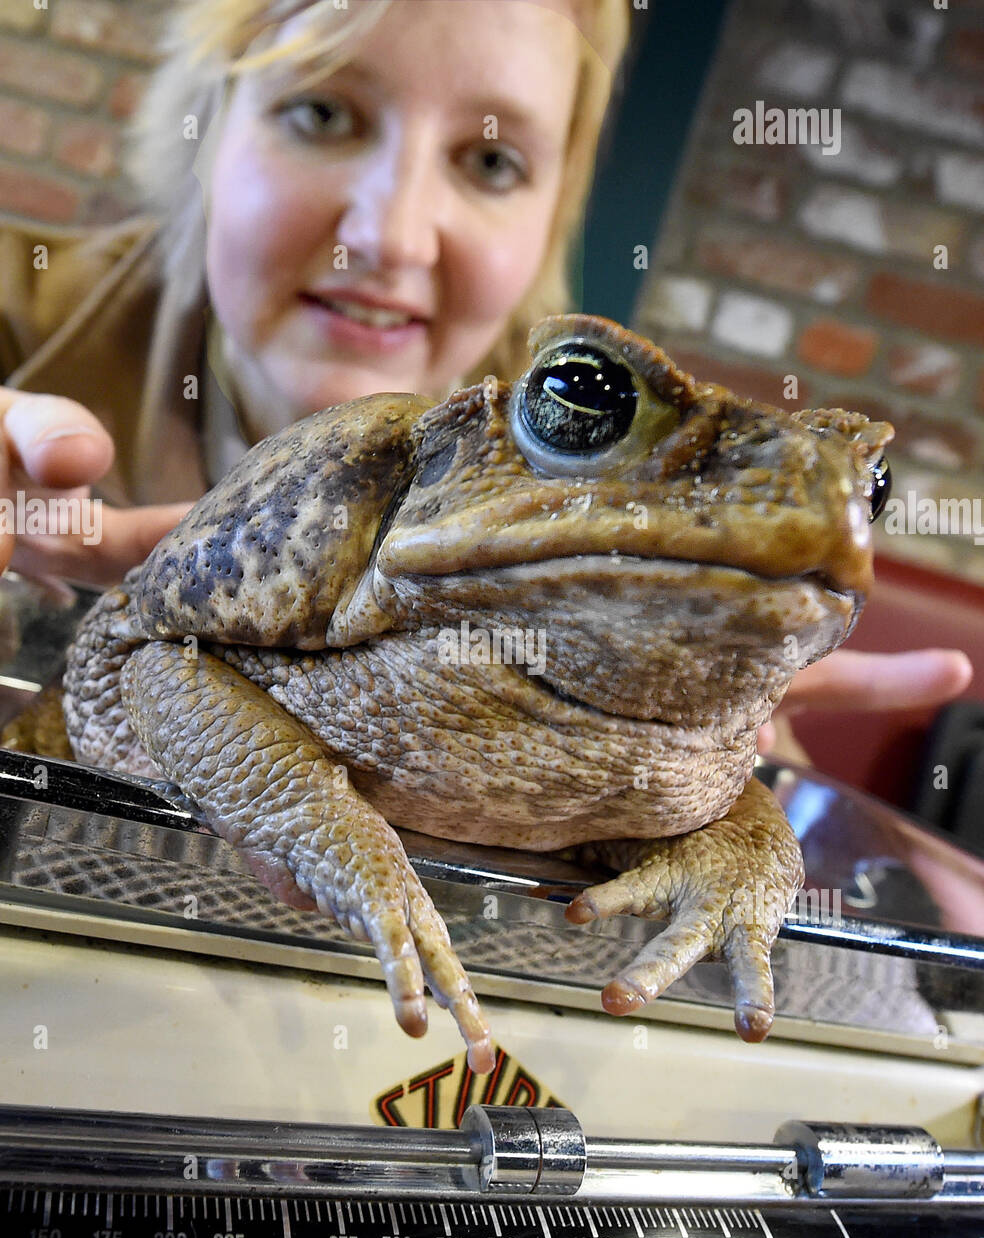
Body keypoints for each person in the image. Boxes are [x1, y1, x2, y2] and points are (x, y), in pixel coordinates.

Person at [0, 0, 971, 734]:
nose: (392, 234)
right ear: (207, 128)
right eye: (323, 113)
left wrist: (681, 727)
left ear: (552, 215)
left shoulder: (625, 483)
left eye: (491, 162)